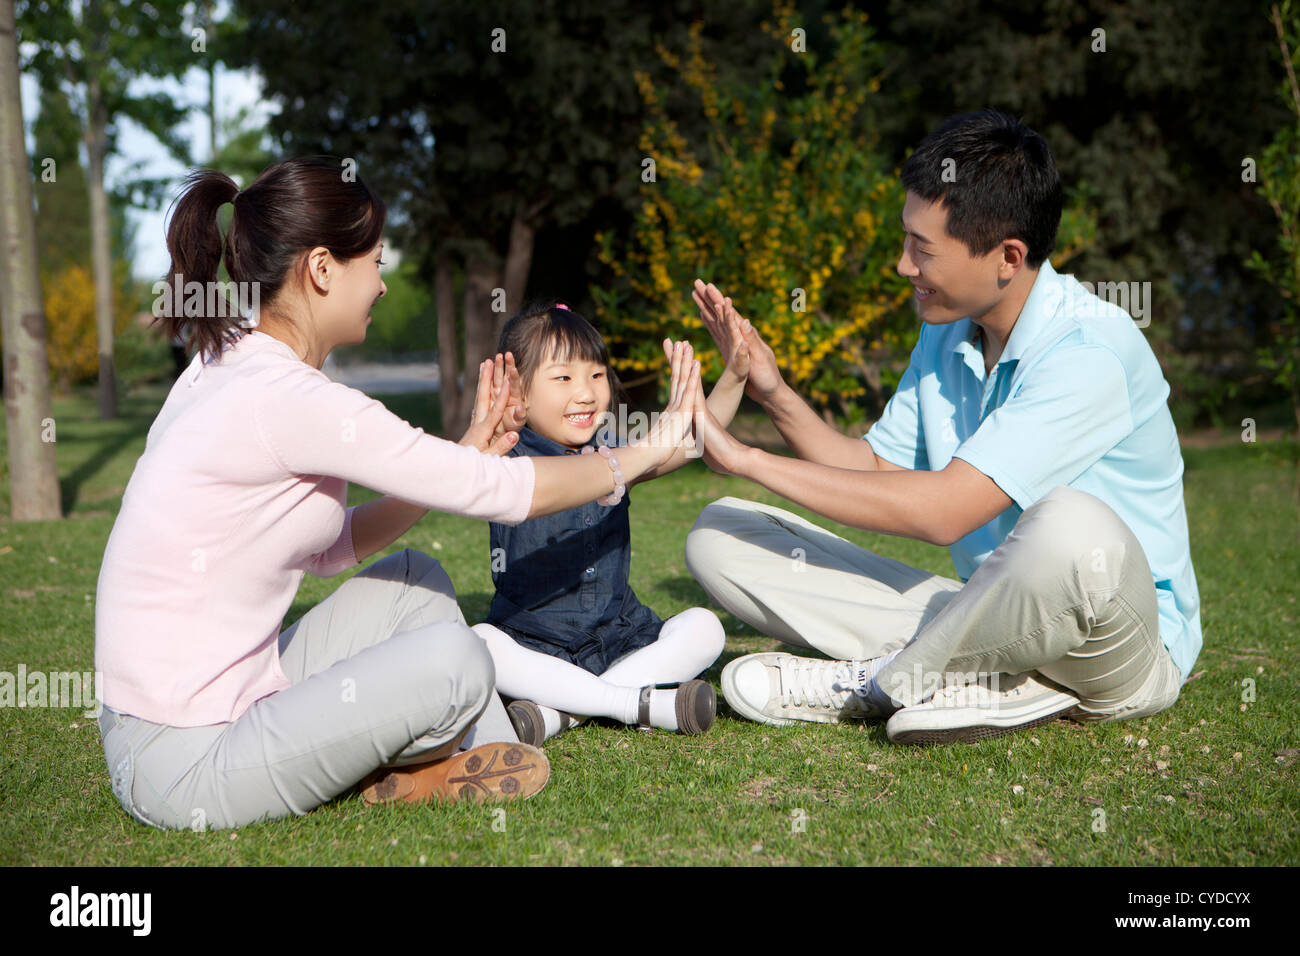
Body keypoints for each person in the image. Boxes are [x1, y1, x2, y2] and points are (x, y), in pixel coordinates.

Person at [94, 156, 702, 830]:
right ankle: (479, 747)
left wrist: (467, 453)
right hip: (181, 761)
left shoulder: (229, 365)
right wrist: (644, 449)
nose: (383, 285)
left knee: (416, 578)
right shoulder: (292, 399)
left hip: (226, 698)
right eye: (376, 263)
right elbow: (501, 493)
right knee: (457, 657)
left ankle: (484, 754)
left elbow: (329, 549)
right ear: (323, 269)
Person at [682, 111, 1202, 744]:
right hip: (991, 611)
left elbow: (945, 512)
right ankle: (993, 682)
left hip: (1116, 641)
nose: (904, 266)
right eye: (907, 240)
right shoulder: (949, 332)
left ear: (1008, 257)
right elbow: (873, 470)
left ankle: (882, 682)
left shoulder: (1090, 351)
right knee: (720, 533)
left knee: (1070, 524)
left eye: (922, 249)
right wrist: (774, 393)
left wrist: (745, 458)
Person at [469, 300, 741, 745]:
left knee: (705, 628)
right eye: (563, 378)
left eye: (596, 375)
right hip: (534, 644)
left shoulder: (614, 452)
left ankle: (559, 713)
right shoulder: (505, 457)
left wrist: (734, 375)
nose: (586, 392)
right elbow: (465, 472)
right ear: (517, 391)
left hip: (621, 637)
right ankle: (633, 704)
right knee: (480, 643)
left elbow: (692, 441)